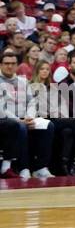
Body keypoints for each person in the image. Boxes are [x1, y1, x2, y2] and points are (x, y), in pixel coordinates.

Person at [0, 49, 54, 179]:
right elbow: (1, 108)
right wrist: (20, 120)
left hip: (25, 118)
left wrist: (29, 117)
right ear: (1, 64)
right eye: (6, 63)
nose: (10, 66)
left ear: (17, 65)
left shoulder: (22, 81)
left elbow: (31, 101)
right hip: (6, 119)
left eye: (13, 63)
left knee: (48, 125)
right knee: (21, 127)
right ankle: (24, 168)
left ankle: (41, 167)